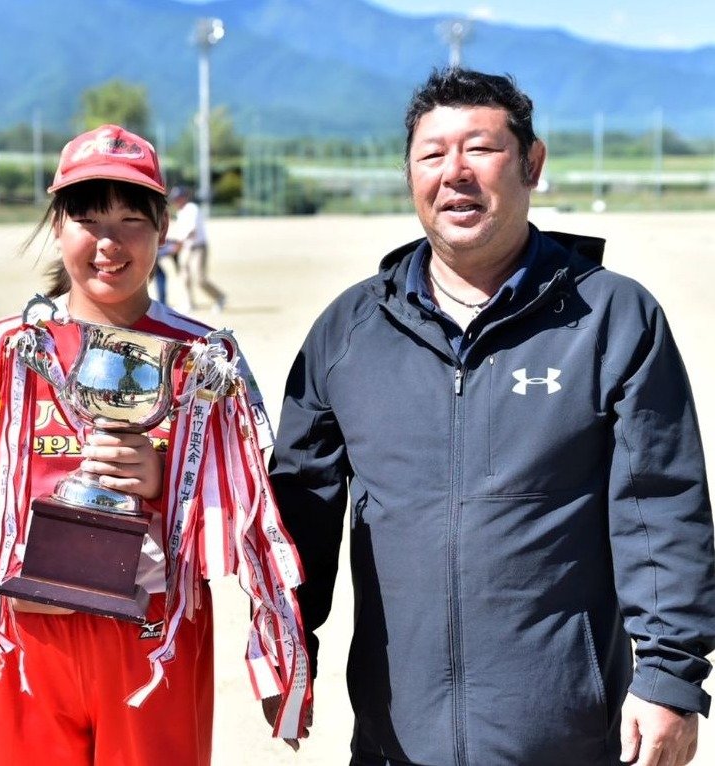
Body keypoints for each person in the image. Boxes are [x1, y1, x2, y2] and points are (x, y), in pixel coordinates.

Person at [266, 67, 715, 766]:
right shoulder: (350, 331)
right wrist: (287, 644)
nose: (455, 173)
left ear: (532, 163)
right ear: (409, 174)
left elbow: (660, 508)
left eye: (481, 149)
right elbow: (299, 509)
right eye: (432, 154)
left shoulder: (612, 318)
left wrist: (669, 679)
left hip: (565, 736)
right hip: (395, 740)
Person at [0, 124, 309, 765]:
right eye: (87, 218)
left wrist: (168, 481)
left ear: (164, 230)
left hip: (153, 643)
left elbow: (253, 517)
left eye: (132, 219)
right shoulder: (3, 350)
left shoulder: (206, 362)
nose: (109, 242)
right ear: (58, 227)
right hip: (20, 641)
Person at [167, 185, 226, 313]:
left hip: (199, 248)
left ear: (184, 197)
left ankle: (220, 297)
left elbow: (192, 230)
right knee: (184, 275)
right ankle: (188, 303)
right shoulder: (180, 212)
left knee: (200, 279)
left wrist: (179, 242)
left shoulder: (192, 209)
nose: (175, 202)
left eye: (178, 198)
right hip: (187, 248)